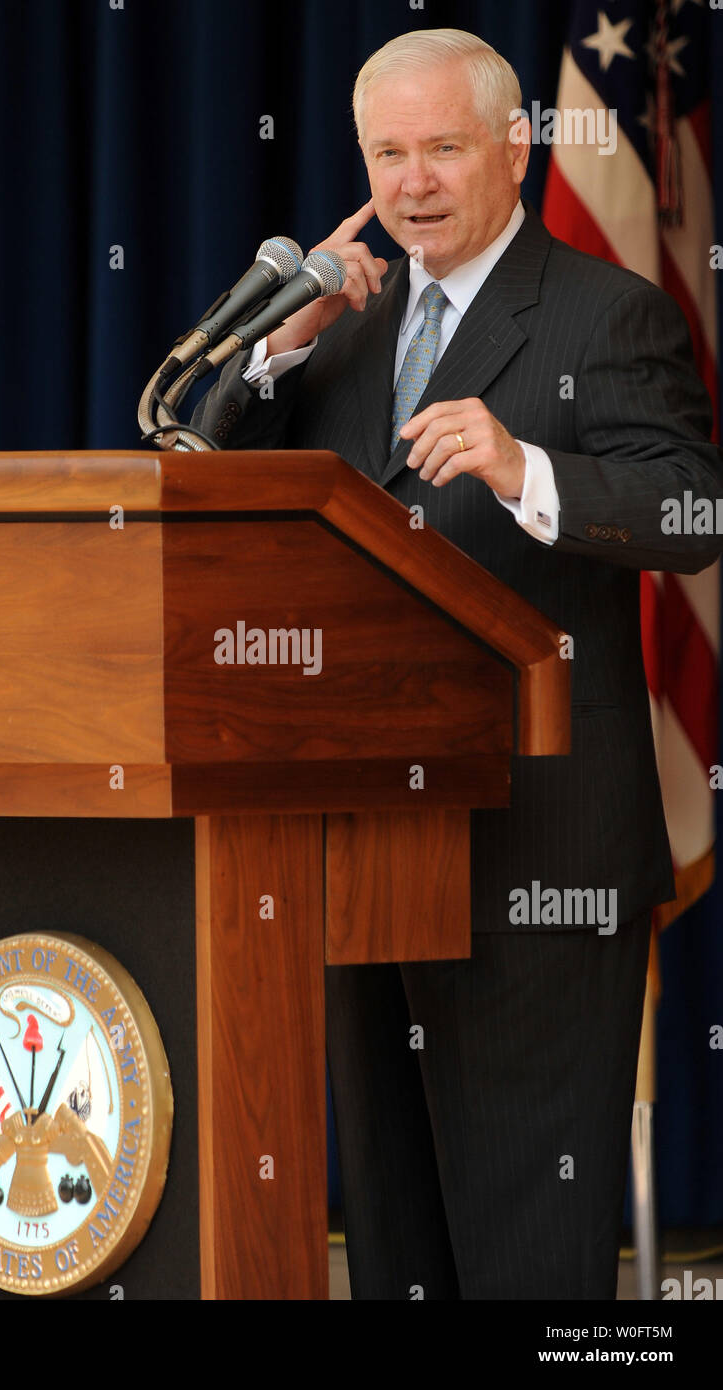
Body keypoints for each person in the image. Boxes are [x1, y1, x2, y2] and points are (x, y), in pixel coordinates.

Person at [192, 29, 723, 1299]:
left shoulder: (609, 314)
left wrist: (521, 467)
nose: (413, 182)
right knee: (393, 1249)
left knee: (525, 1256)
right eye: (387, 154)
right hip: (364, 839)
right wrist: (274, 346)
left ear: (519, 149)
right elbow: (198, 475)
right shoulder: (342, 327)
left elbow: (694, 511)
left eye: (441, 148)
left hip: (538, 854)